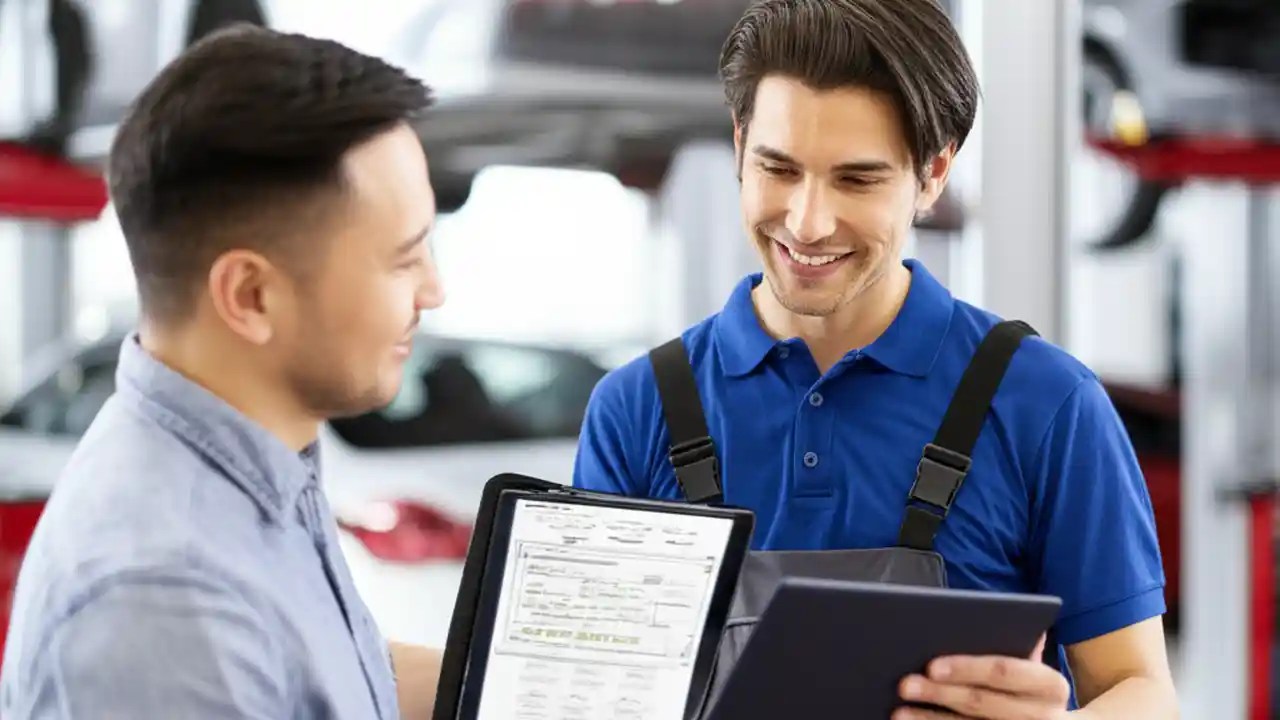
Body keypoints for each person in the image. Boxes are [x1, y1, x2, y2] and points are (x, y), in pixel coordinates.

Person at [572, 1, 1179, 718]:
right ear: (740, 145)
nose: (807, 222)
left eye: (856, 180)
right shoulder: (635, 410)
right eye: (778, 168)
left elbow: (1142, 694)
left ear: (933, 173)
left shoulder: (1046, 402)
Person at [1, 25, 446, 719]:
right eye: (404, 258)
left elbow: (340, 674)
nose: (433, 290)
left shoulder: (255, 468)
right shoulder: (164, 601)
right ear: (250, 296)